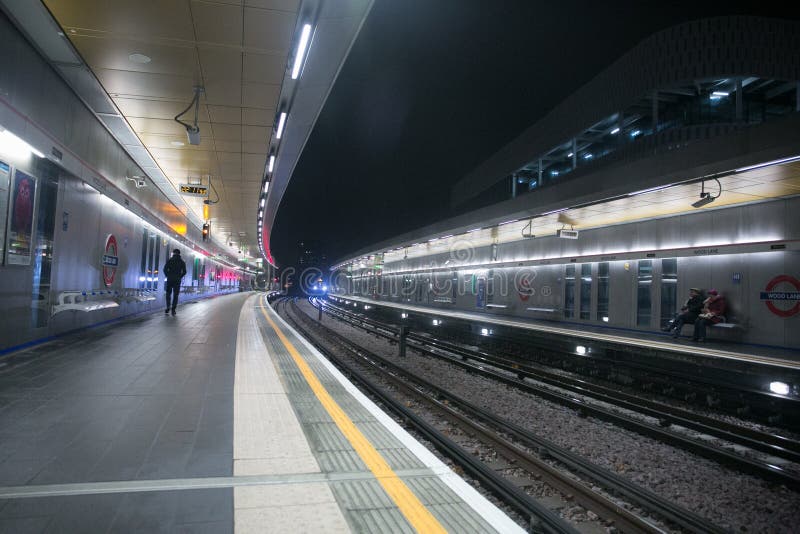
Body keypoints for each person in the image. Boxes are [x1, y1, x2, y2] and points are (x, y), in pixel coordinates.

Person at [163, 248, 187, 316]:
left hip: (170, 280)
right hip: (177, 280)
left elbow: (164, 269)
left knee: (168, 294)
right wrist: (180, 276)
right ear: (179, 254)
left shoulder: (170, 260)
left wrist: (168, 275)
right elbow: (185, 272)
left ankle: (168, 307)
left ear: (173, 253)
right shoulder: (182, 262)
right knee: (175, 295)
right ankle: (173, 310)